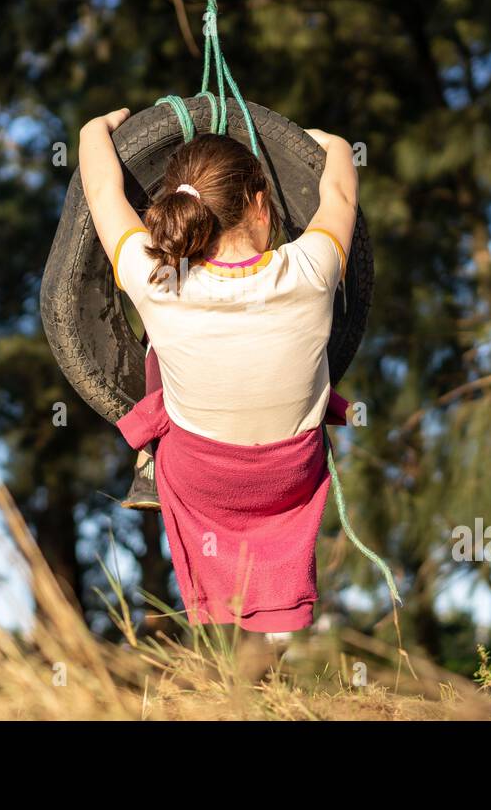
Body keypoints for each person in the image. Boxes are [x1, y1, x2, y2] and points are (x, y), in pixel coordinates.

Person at [78, 107, 358, 634]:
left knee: (160, 349)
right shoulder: (311, 268)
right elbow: (339, 195)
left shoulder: (156, 279)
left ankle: (148, 460)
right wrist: (329, 141)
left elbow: (102, 195)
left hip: (202, 477)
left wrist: (94, 131)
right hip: (290, 477)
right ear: (259, 204)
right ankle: (276, 627)